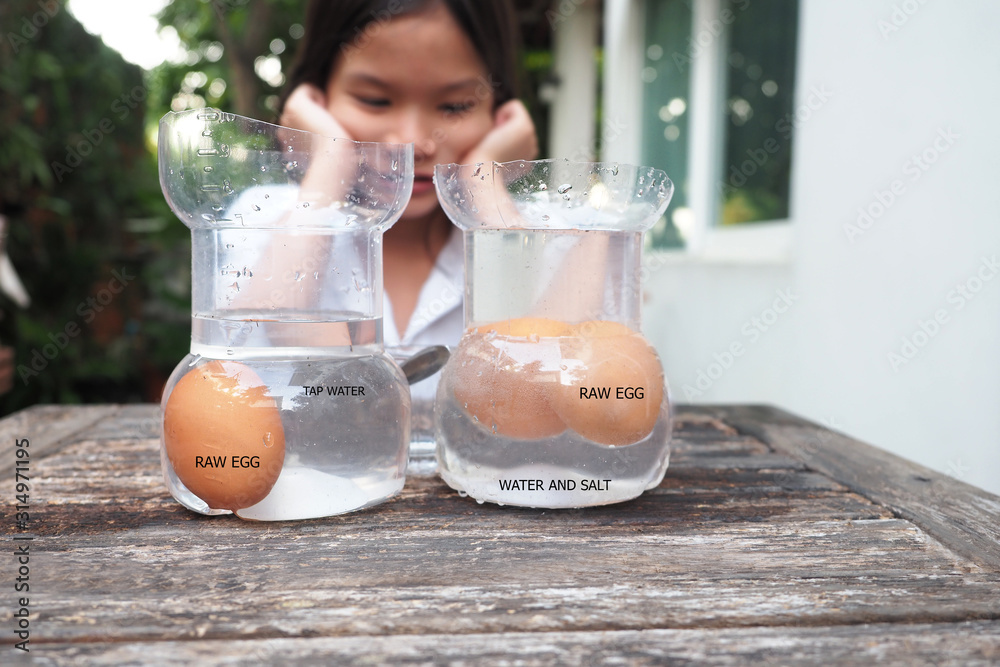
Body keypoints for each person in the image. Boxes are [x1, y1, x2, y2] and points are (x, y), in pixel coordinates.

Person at [277, 0, 538, 348]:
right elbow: (250, 352)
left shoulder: (549, 237)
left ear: (498, 110)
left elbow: (555, 375)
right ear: (318, 97)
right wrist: (330, 159)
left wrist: (483, 185)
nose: (414, 143)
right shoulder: (257, 222)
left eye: (455, 106)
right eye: (375, 100)